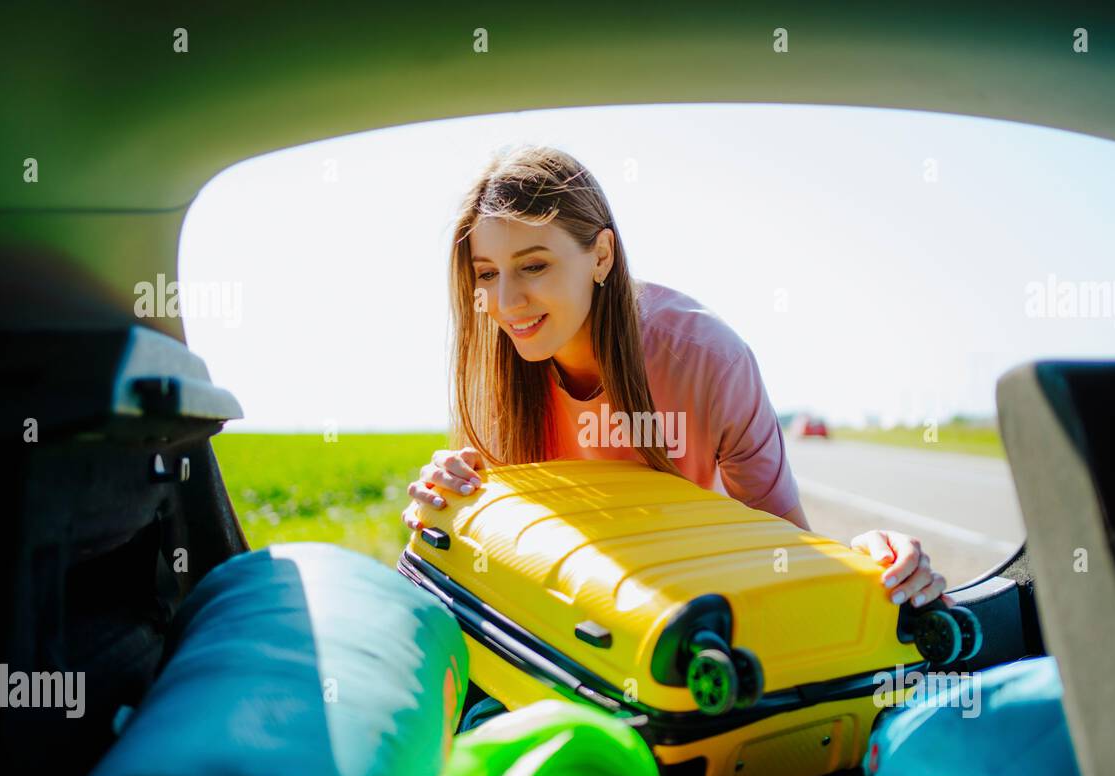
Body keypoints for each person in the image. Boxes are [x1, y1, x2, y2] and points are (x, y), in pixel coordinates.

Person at [401, 145, 952, 726]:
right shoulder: (495, 363)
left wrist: (868, 566)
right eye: (487, 274)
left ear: (601, 255)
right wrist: (451, 502)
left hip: (669, 638)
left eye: (534, 265)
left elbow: (786, 546)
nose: (507, 302)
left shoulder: (710, 359)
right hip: (553, 643)